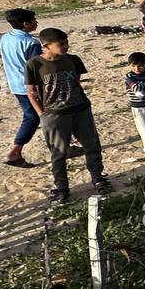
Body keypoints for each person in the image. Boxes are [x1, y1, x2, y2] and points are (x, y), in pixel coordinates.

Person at [25, 27, 111, 203]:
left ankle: (98, 177)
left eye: (66, 42)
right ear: (46, 46)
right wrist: (42, 114)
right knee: (58, 152)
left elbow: (76, 82)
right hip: (54, 114)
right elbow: (31, 92)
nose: (65, 46)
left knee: (91, 145)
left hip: (80, 109)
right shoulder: (34, 64)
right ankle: (62, 187)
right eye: (60, 44)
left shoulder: (73, 60)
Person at [0, 8, 43, 168]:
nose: (36, 22)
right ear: (26, 24)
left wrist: (3, 59)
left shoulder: (5, 39)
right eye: (34, 20)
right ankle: (14, 152)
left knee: (37, 115)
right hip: (30, 86)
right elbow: (36, 68)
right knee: (35, 117)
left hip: (15, 85)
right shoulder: (31, 43)